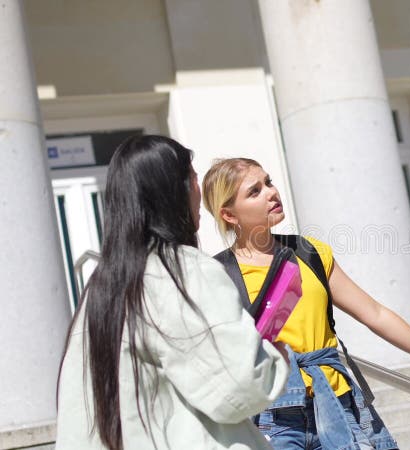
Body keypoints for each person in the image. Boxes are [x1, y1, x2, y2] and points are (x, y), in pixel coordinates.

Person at [202, 157, 410, 450]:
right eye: (255, 191)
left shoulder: (309, 253)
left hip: (337, 402)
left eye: (269, 182)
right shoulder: (217, 275)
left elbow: (375, 314)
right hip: (272, 418)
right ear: (229, 215)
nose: (271, 193)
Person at [55, 136, 289, 450]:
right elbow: (239, 386)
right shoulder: (181, 271)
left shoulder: (100, 290)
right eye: (192, 177)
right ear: (172, 190)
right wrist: (274, 356)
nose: (197, 190)